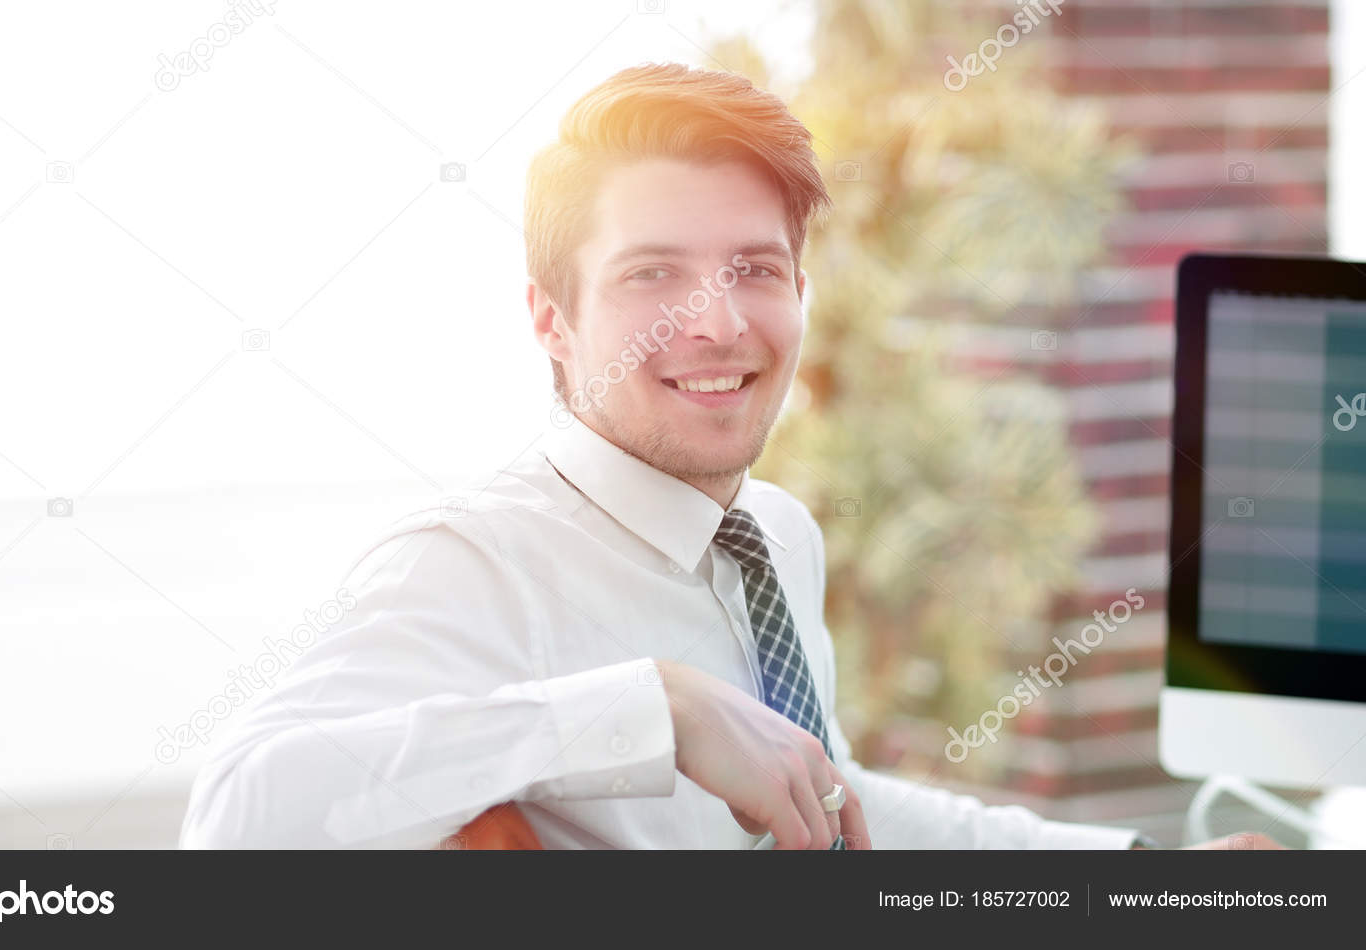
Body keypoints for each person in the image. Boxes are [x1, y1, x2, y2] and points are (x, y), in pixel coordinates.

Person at [180, 62, 1276, 850]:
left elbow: (832, 803)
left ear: (801, 290)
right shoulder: (476, 563)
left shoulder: (772, 535)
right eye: (652, 274)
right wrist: (655, 704)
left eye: (755, 267)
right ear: (550, 318)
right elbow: (234, 817)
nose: (715, 323)